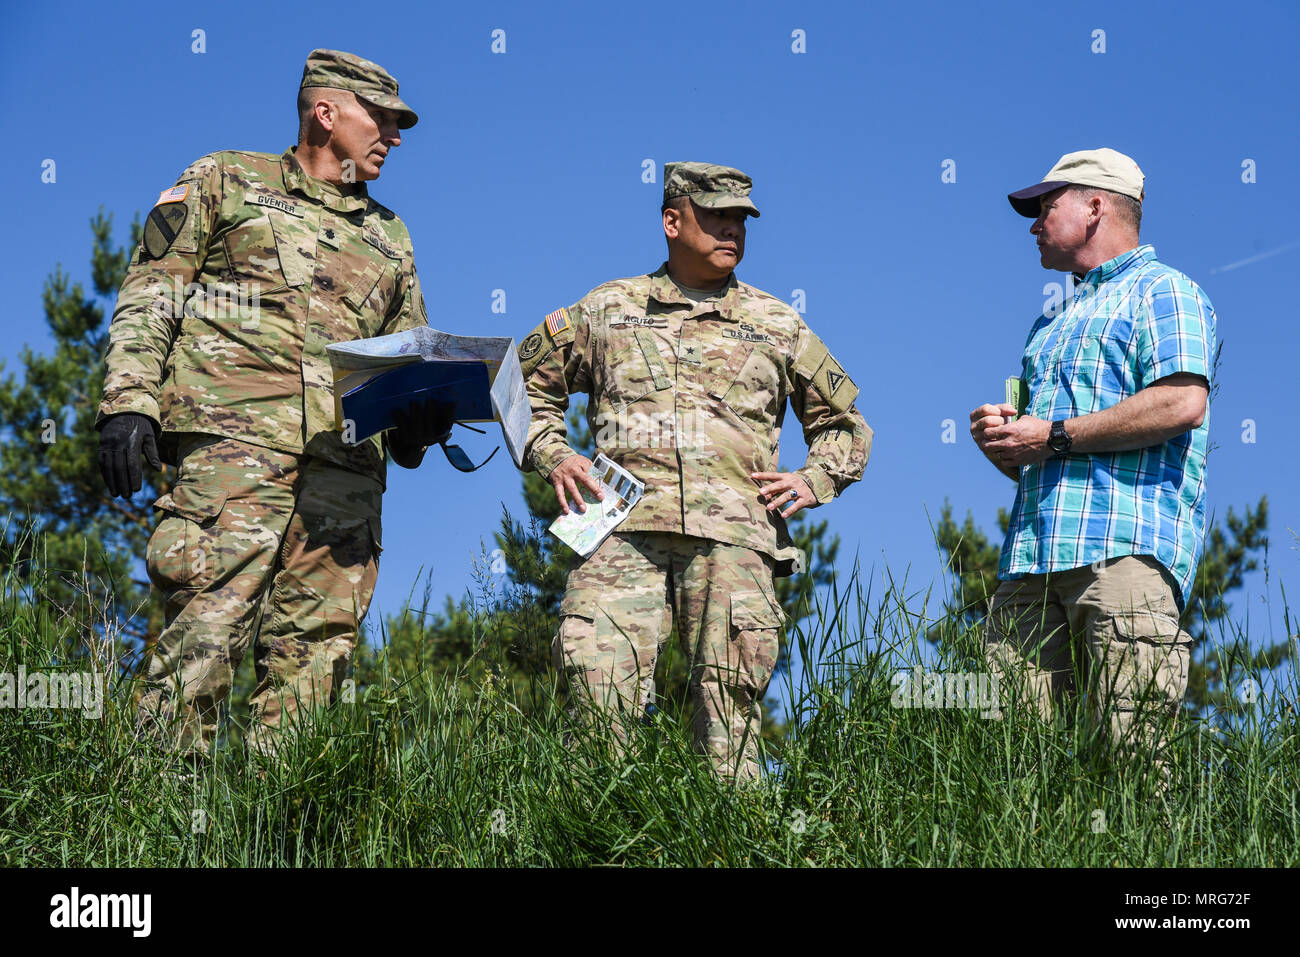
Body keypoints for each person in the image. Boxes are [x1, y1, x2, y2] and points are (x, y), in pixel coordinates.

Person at [96, 49, 452, 761]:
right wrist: (129, 400)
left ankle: (281, 835)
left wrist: (421, 419)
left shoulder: (393, 237)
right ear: (326, 112)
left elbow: (408, 358)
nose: (395, 135)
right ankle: (156, 832)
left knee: (314, 671)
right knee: (200, 636)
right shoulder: (225, 179)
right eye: (380, 118)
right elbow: (150, 292)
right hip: (231, 457)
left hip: (344, 483)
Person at [518, 162, 872, 780]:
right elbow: (521, 387)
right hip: (617, 537)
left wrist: (813, 481)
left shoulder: (777, 323)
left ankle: (733, 845)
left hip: (733, 544)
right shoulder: (608, 308)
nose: (731, 230)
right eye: (715, 216)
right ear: (672, 222)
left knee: (728, 716)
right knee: (598, 702)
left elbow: (846, 424)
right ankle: (593, 842)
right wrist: (556, 454)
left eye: (740, 218)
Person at [970, 148, 1216, 778]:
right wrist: (1006, 444)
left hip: (1123, 560)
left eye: (1045, 206)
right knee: (1010, 775)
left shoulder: (1167, 292)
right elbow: (1040, 455)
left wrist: (1048, 435)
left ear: (1096, 206)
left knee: (1131, 767)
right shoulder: (1047, 324)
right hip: (1029, 567)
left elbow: (1181, 402)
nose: (1033, 223)